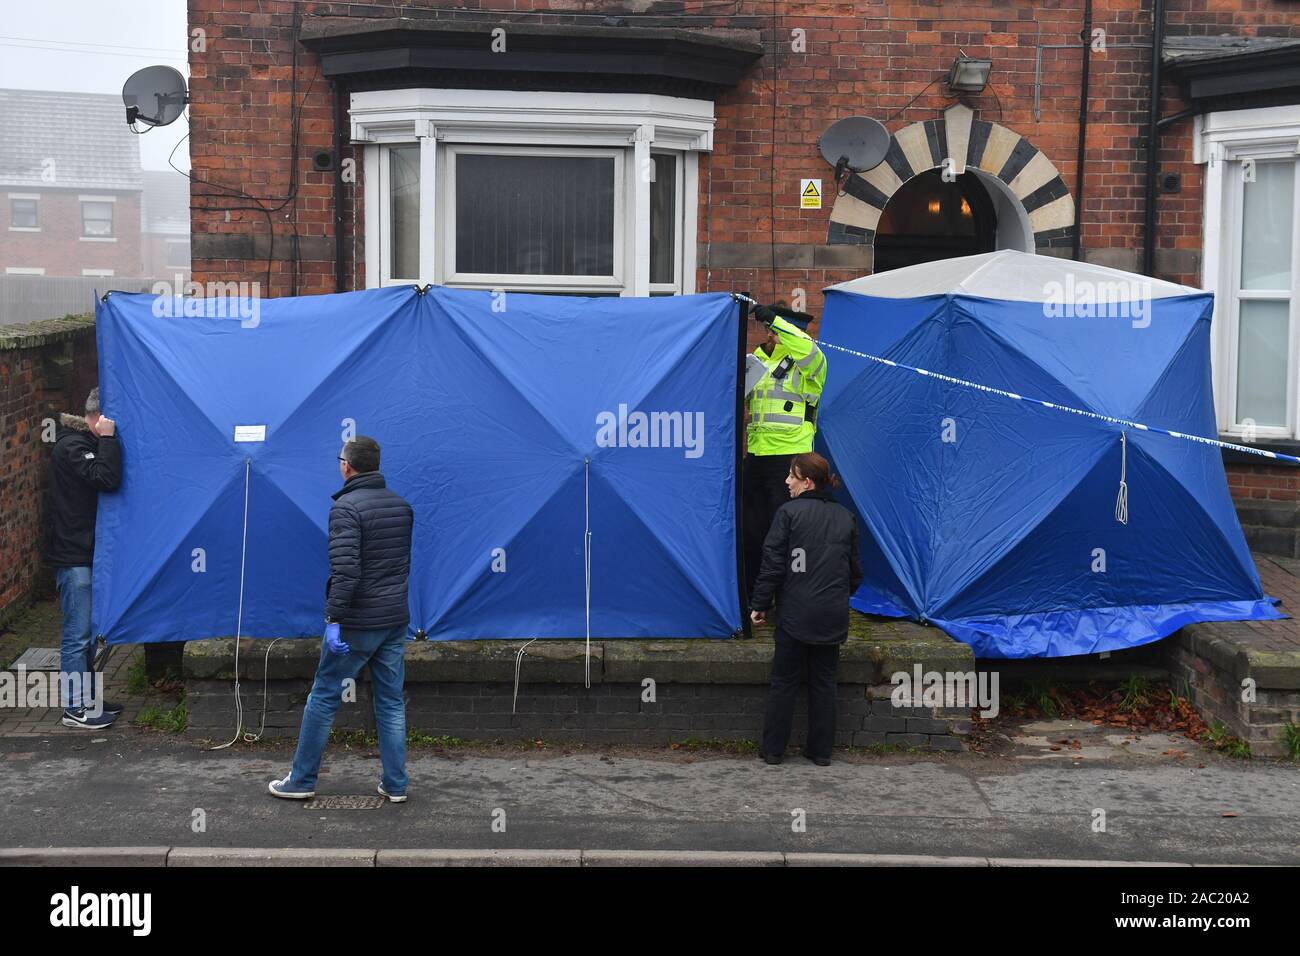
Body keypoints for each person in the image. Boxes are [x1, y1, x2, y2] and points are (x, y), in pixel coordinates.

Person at [270, 436, 414, 802]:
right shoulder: (402, 507)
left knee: (323, 696)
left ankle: (302, 780)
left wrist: (334, 619)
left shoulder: (346, 508)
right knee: (391, 701)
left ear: (347, 466)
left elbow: (347, 572)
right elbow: (400, 568)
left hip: (357, 624)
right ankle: (396, 784)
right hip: (394, 620)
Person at [750, 452, 862, 766]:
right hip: (832, 615)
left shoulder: (788, 513)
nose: (786, 481)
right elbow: (854, 573)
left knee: (784, 682)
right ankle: (821, 752)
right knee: (825, 683)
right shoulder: (845, 517)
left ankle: (773, 751)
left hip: (794, 614)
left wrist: (760, 605)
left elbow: (772, 566)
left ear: (807, 482)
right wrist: (838, 596)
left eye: (792, 476)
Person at [742, 302, 828, 604]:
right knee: (751, 531)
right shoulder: (756, 361)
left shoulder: (812, 362)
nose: (775, 333)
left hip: (792, 460)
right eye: (773, 328)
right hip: (756, 457)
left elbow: (804, 346)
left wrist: (778, 322)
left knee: (788, 535)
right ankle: (755, 597)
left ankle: (789, 599)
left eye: (782, 328)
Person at [47, 387, 122, 729]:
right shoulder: (72, 447)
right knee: (77, 635)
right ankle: (75, 707)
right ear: (98, 417)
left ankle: (88, 700)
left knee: (89, 634)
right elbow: (105, 478)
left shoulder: (83, 444)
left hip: (84, 552)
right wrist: (107, 440)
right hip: (73, 555)